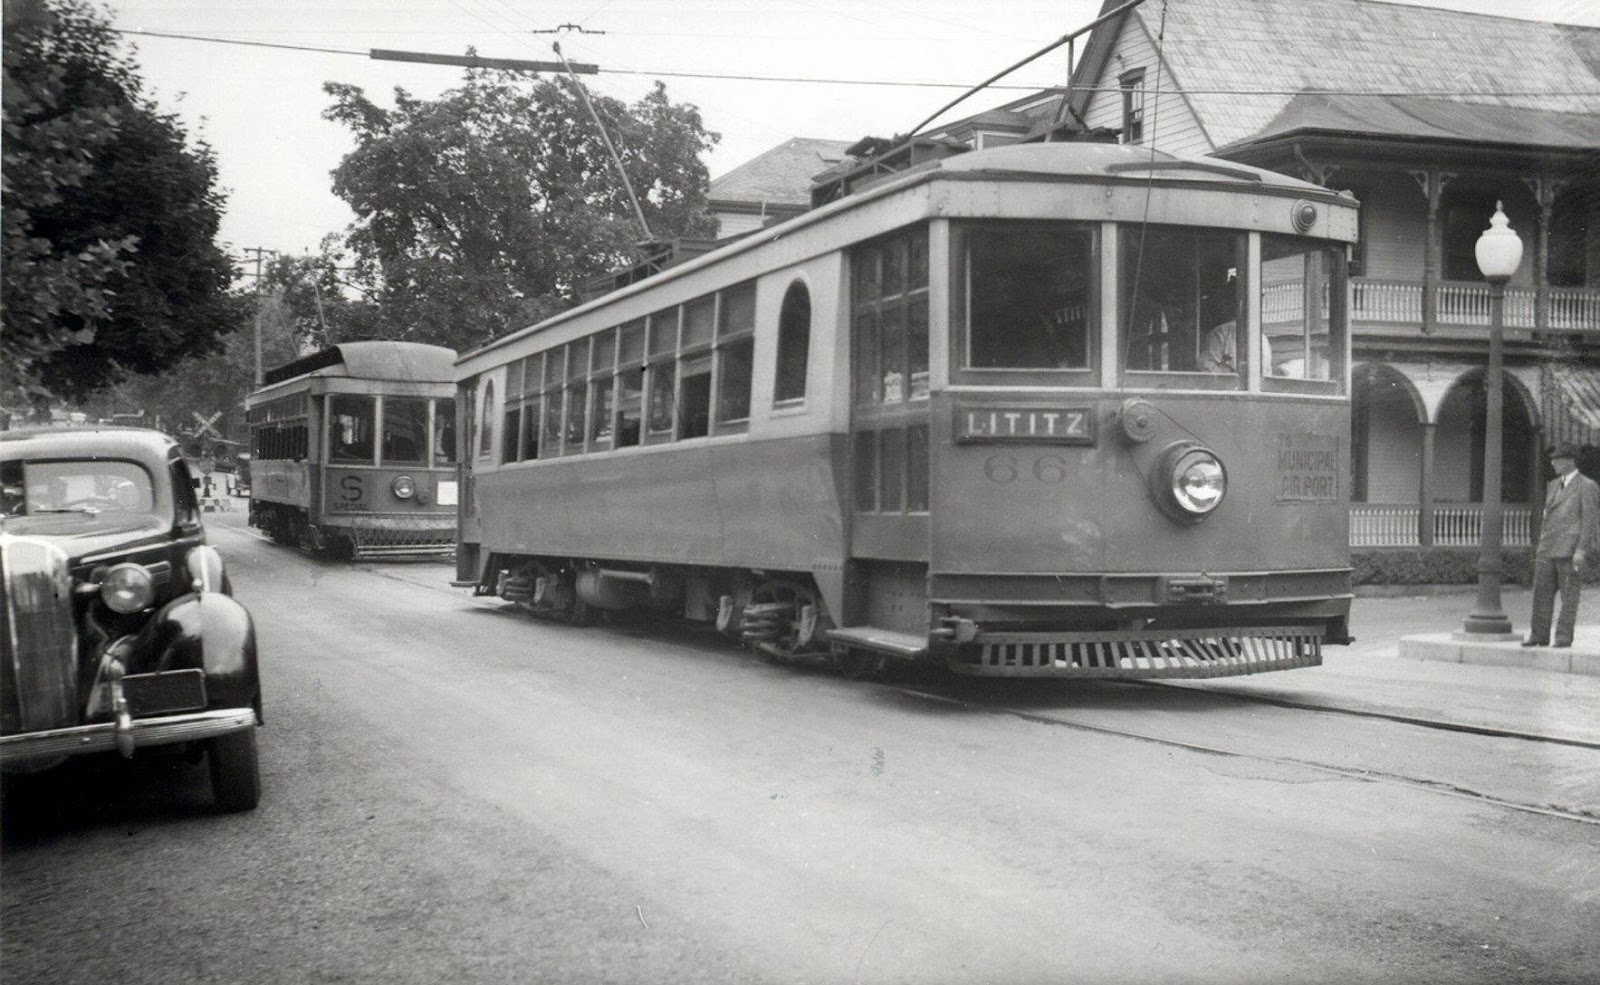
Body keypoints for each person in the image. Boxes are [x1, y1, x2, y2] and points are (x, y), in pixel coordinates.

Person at [1523, 443, 1600, 648]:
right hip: (1548, 547)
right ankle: (1539, 635)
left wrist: (1581, 550)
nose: (1553, 462)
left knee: (1569, 597)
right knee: (1541, 593)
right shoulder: (1553, 485)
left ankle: (1563, 637)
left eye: (1558, 459)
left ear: (1570, 461)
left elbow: (1589, 520)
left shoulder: (1587, 486)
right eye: (1553, 459)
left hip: (1570, 549)